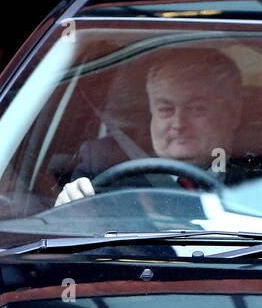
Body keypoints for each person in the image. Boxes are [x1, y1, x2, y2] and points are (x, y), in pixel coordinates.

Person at [55, 47, 244, 205]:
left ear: (232, 114)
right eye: (165, 110)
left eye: (196, 109)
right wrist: (66, 209)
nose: (178, 124)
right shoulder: (103, 162)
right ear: (151, 112)